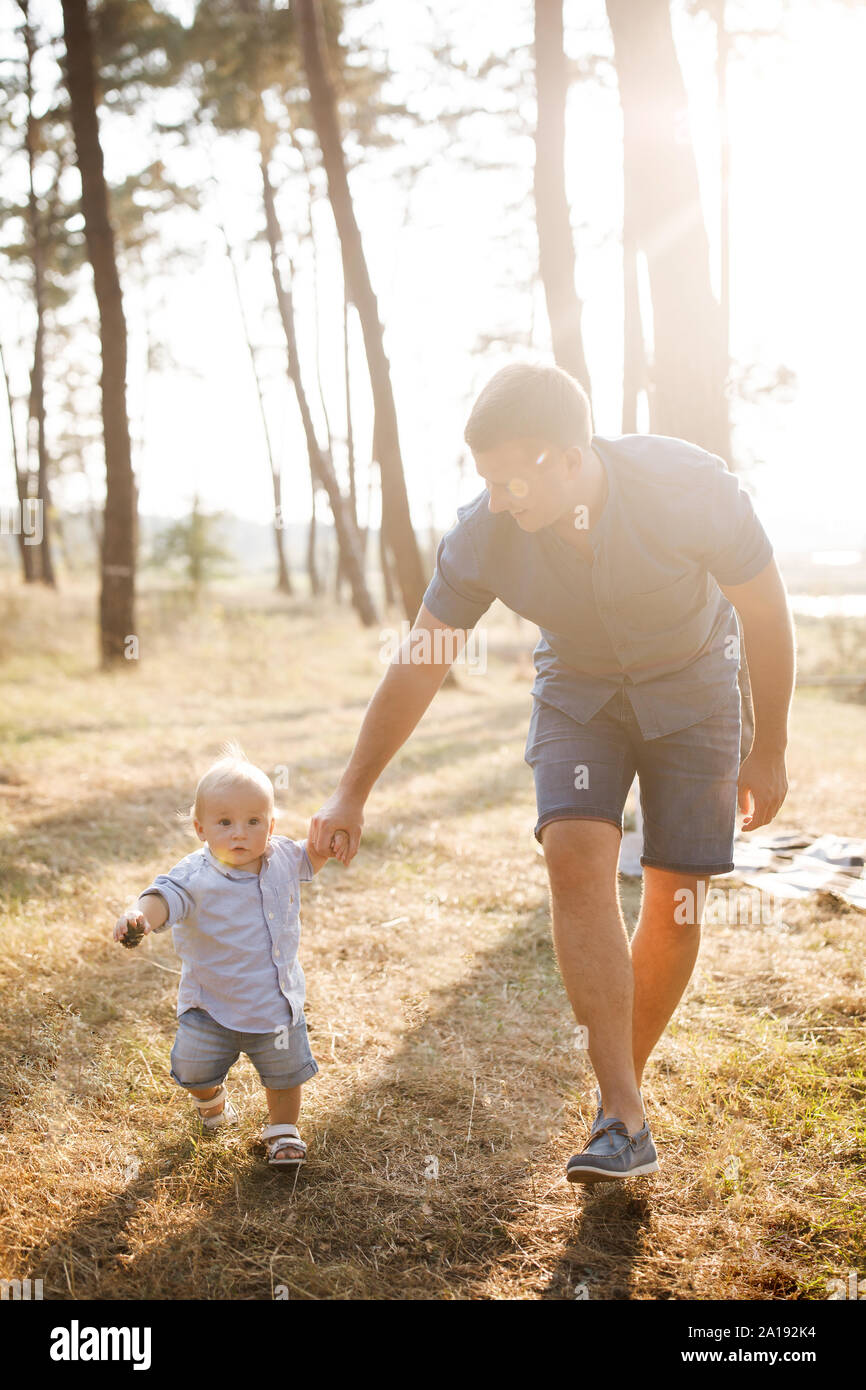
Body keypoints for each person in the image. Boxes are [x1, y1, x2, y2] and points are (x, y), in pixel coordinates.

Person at [312, 362, 795, 1183]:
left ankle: (618, 1094)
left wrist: (771, 745)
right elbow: (425, 657)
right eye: (486, 483)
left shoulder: (690, 487)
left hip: (696, 682)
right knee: (574, 856)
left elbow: (763, 608)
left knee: (675, 902)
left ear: (569, 459)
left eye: (510, 481)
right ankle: (622, 1115)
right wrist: (352, 786)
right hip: (579, 691)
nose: (498, 500)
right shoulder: (484, 534)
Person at [114, 742, 346, 1167]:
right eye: (225, 822)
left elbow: (313, 855)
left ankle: (283, 1131)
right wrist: (140, 918)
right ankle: (213, 1102)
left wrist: (330, 841)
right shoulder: (195, 875)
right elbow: (162, 897)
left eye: (253, 821)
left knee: (285, 1073)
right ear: (201, 829)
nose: (239, 832)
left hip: (274, 1004)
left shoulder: (282, 858)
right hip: (210, 1006)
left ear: (271, 824)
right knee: (193, 1070)